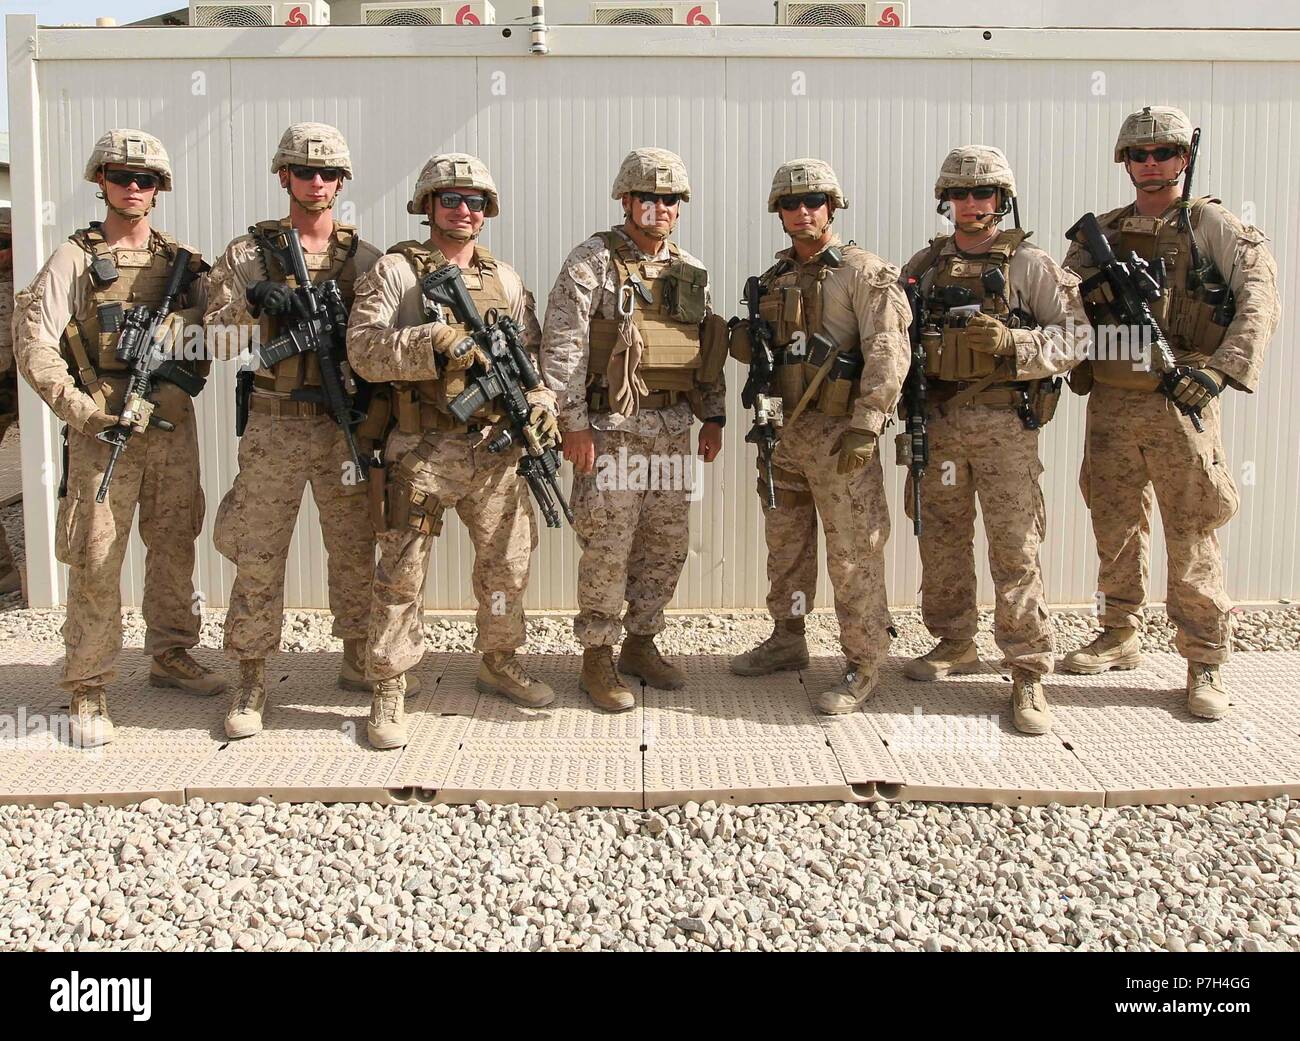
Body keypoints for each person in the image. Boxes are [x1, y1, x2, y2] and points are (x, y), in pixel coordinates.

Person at [1062, 106, 1280, 719]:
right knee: (1114, 523)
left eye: (1164, 153)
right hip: (1110, 399)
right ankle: (1118, 632)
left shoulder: (1212, 224)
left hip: (1179, 396)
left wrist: (1219, 369)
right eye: (1140, 155)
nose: (1151, 164)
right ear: (1125, 163)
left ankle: (1205, 656)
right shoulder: (1096, 234)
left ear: (1185, 158)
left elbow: (1260, 299)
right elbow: (1058, 305)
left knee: (1191, 528)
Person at [11, 130, 225, 747]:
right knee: (97, 555)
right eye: (124, 177)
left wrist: (179, 330)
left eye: (147, 180)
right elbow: (34, 346)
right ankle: (88, 682)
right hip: (103, 425)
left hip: (171, 420)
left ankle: (171, 654)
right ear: (100, 181)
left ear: (160, 191)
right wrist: (82, 412)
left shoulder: (186, 262)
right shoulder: (73, 258)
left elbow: (228, 332)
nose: (135, 189)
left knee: (174, 541)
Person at [347, 153, 558, 749]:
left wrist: (541, 404)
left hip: (494, 448)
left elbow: (533, 357)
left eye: (475, 202)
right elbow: (362, 350)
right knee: (401, 570)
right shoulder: (395, 272)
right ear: (427, 206)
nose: (464, 211)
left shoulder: (507, 280)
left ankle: (498, 660)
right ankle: (389, 682)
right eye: (450, 200)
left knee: (507, 563)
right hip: (421, 446)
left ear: (487, 212)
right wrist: (429, 339)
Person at [205, 123, 384, 740]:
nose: (317, 183)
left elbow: (381, 350)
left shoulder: (365, 260)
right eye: (305, 172)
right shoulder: (249, 255)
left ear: (341, 182)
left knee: (356, 548)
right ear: (284, 176)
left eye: (329, 174)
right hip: (275, 424)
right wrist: (255, 303)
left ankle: (360, 653)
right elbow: (215, 339)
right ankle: (251, 676)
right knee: (258, 553)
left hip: (341, 427)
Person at [542, 148, 727, 712]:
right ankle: (597, 655)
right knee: (608, 544)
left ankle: (641, 642)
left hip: (671, 428)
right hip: (610, 431)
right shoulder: (591, 262)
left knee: (664, 545)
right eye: (648, 197)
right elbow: (563, 349)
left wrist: (712, 414)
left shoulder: (689, 269)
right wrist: (572, 425)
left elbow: (703, 351)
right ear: (626, 201)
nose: (659, 208)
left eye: (669, 199)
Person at [728, 158, 910, 715]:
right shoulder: (775, 277)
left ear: (833, 208)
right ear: (778, 212)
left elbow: (887, 347)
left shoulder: (865, 272)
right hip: (784, 433)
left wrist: (868, 423)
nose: (802, 212)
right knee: (788, 545)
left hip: (840, 436)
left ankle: (864, 661)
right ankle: (788, 638)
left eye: (813, 203)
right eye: (790, 203)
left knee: (854, 552)